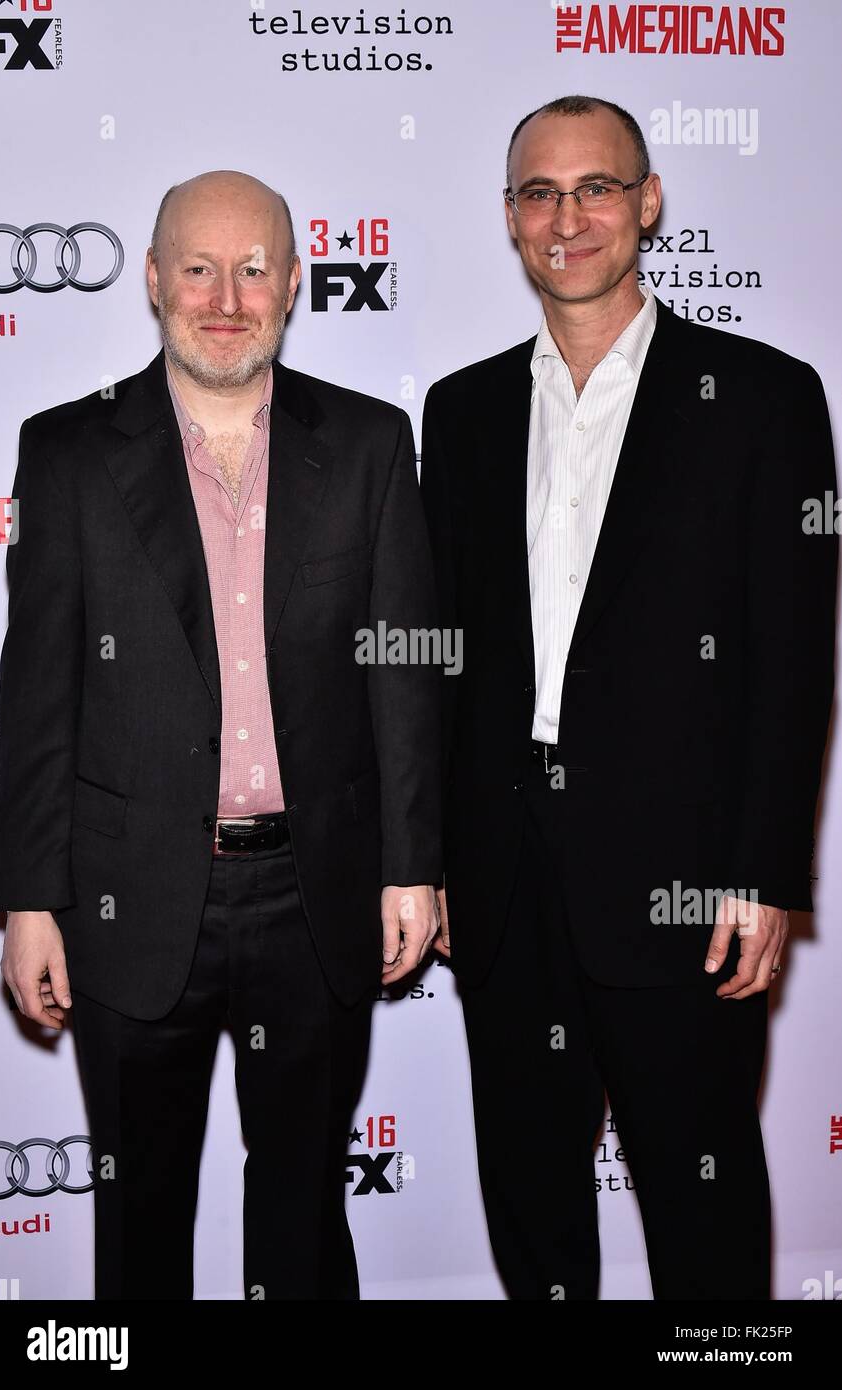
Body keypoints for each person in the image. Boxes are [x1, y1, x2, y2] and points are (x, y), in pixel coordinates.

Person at [0, 169, 441, 1301]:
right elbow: (37, 693)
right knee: (139, 1216)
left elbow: (404, 675)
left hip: (316, 895)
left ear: (295, 283)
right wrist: (29, 900)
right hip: (126, 898)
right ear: (153, 281)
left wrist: (412, 867)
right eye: (198, 267)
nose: (226, 296)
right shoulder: (68, 453)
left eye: (253, 269)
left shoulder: (374, 443)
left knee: (301, 1210)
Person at [420, 96, 837, 1300]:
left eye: (595, 187)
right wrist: (435, 855)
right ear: (509, 219)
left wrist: (763, 874)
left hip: (683, 874)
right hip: (503, 878)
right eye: (538, 194)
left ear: (647, 202)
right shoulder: (466, 410)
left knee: (701, 1201)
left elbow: (791, 658)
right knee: (533, 1200)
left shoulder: (760, 396)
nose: (568, 217)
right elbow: (446, 656)